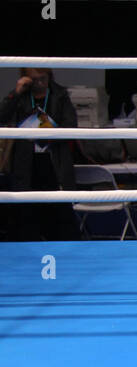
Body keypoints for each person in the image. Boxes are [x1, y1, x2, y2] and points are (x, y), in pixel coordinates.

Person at [0, 68, 80, 241]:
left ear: (49, 76)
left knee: (60, 215)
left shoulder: (60, 95)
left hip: (54, 161)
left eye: (43, 78)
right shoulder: (20, 96)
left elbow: (71, 125)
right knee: (26, 215)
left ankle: (64, 251)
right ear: (26, 79)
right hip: (26, 162)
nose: (40, 83)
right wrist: (16, 92)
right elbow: (2, 116)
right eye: (34, 79)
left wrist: (46, 130)